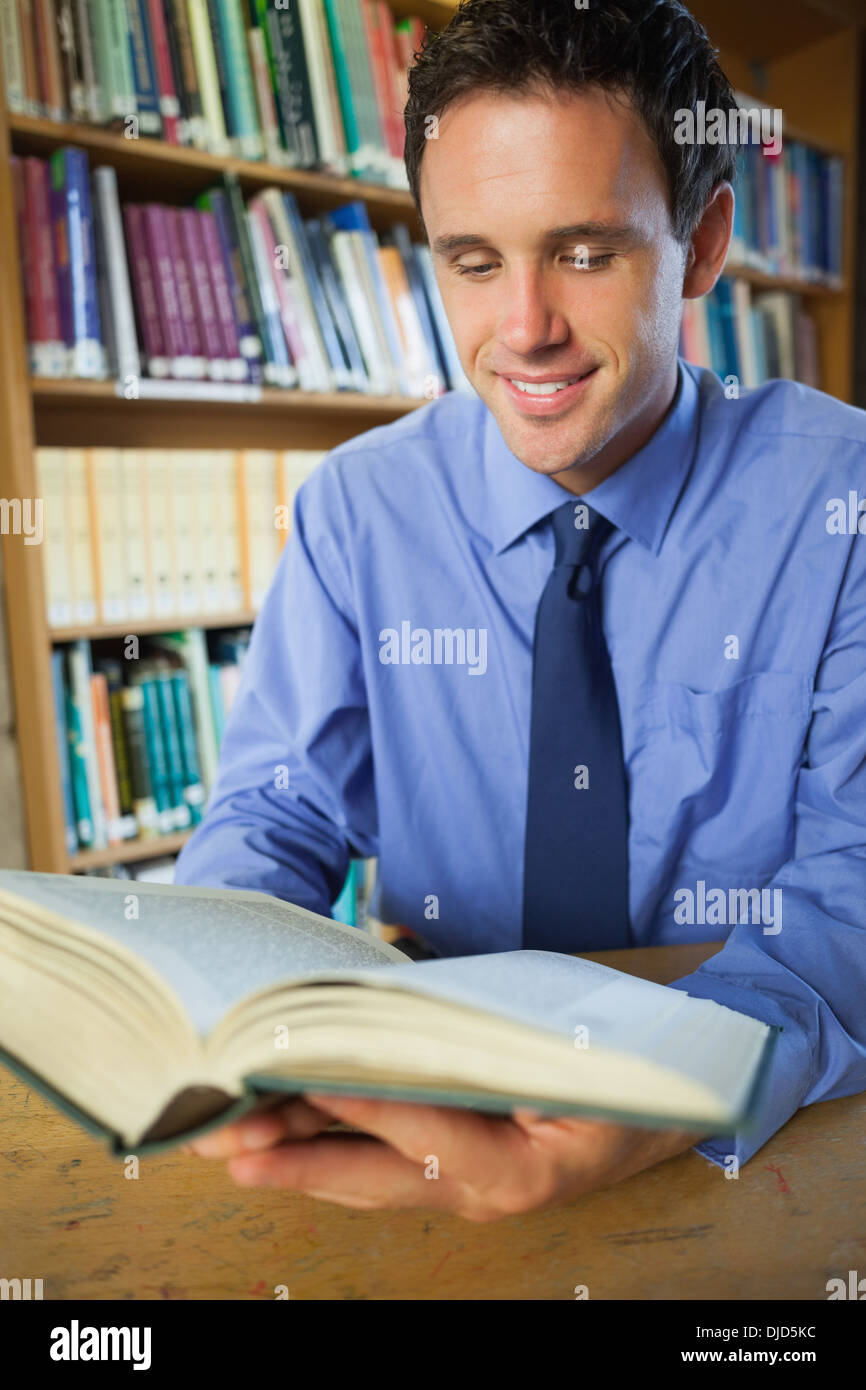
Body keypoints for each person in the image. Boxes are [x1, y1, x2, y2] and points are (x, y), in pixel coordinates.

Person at [174, 0, 866, 1222]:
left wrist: (666, 1090)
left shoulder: (840, 498)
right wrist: (211, 1007)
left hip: (758, 1157)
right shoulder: (356, 507)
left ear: (702, 244)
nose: (523, 330)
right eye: (472, 260)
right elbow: (272, 822)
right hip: (423, 1127)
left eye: (586, 253)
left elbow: (856, 888)